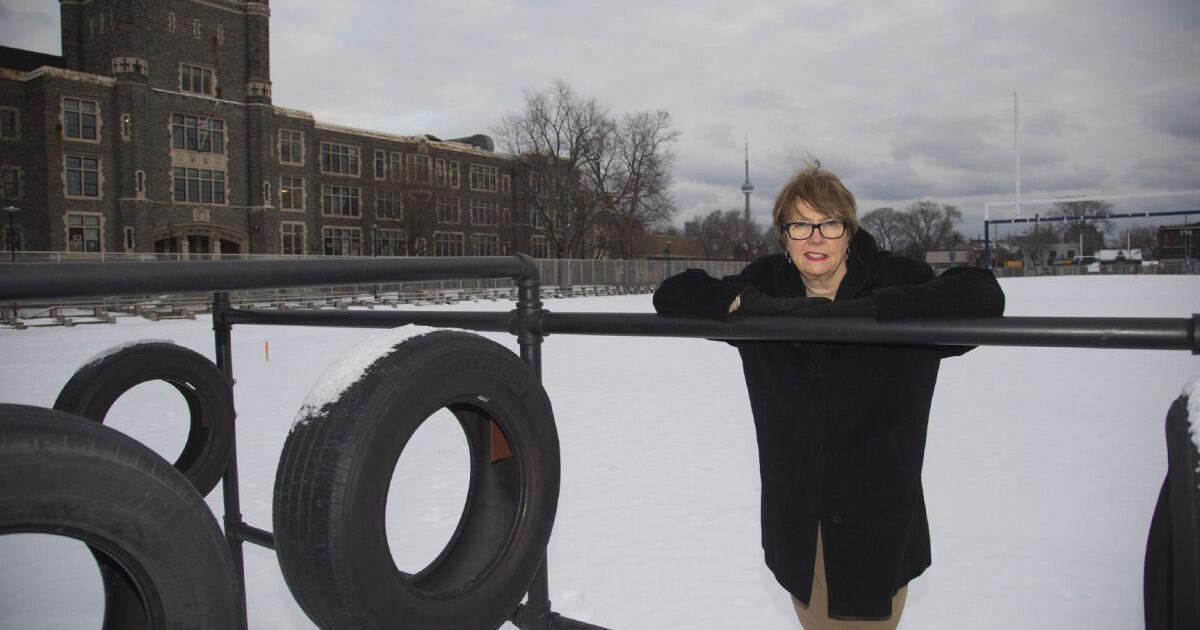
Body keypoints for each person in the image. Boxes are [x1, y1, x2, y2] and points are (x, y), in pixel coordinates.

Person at [653, 163, 1005, 629]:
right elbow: (674, 293)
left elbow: (982, 294)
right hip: (798, 519)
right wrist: (753, 307)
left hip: (875, 522)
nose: (814, 238)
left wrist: (869, 315)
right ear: (784, 236)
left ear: (849, 232)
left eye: (829, 224)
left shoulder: (896, 276)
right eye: (800, 225)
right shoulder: (768, 282)